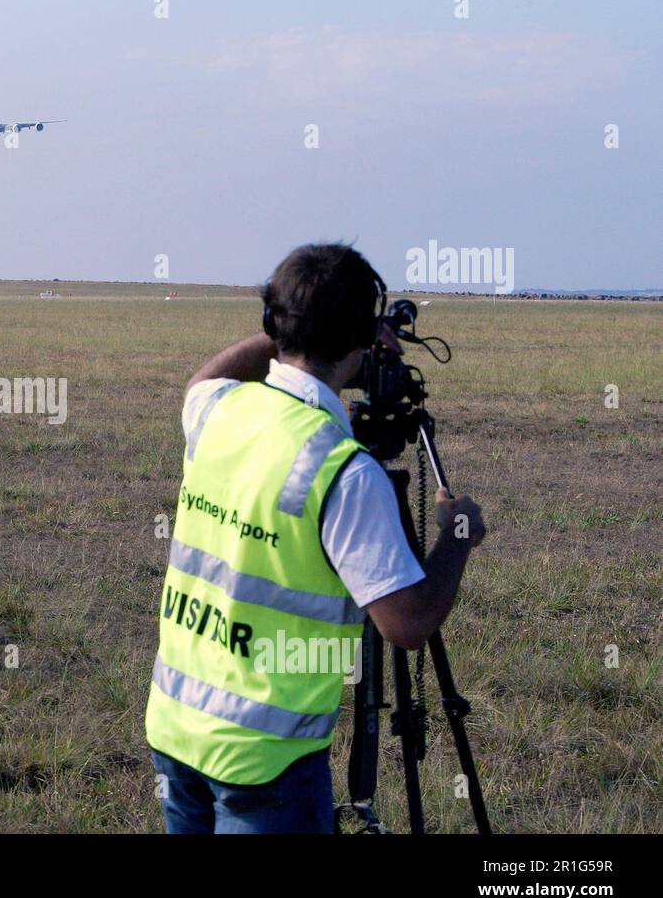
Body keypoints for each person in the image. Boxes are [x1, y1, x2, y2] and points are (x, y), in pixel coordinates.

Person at [145, 243, 486, 834]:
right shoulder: (343, 471)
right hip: (265, 757)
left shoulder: (216, 410)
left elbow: (209, 374)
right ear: (361, 338)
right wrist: (457, 534)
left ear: (274, 324)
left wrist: (291, 327)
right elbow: (407, 624)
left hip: (176, 728)